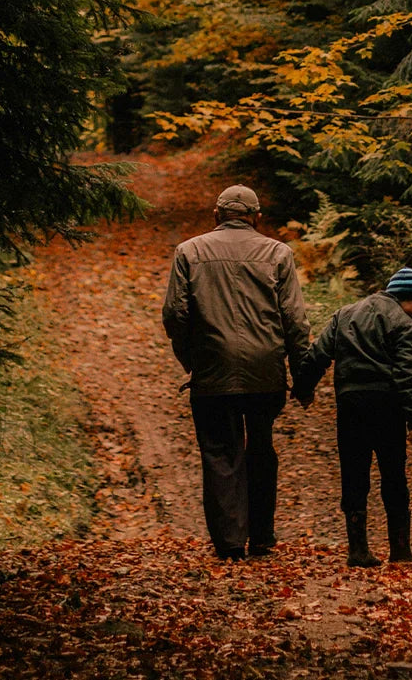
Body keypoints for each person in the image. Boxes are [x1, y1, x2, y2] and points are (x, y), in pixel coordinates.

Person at [162, 184, 312, 560]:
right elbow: (295, 320)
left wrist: (192, 359)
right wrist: (302, 375)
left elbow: (175, 314)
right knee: (260, 447)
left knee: (219, 452)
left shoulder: (189, 252)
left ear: (217, 215)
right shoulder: (278, 253)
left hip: (213, 371)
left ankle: (230, 541)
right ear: (256, 217)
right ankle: (261, 536)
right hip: (266, 371)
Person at [292, 267, 412, 567]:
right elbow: (409, 374)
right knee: (394, 475)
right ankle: (400, 550)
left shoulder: (344, 314)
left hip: (351, 405)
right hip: (387, 407)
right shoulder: (403, 324)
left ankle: (357, 550)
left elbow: (317, 355)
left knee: (354, 474)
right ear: (406, 297)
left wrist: (303, 388)